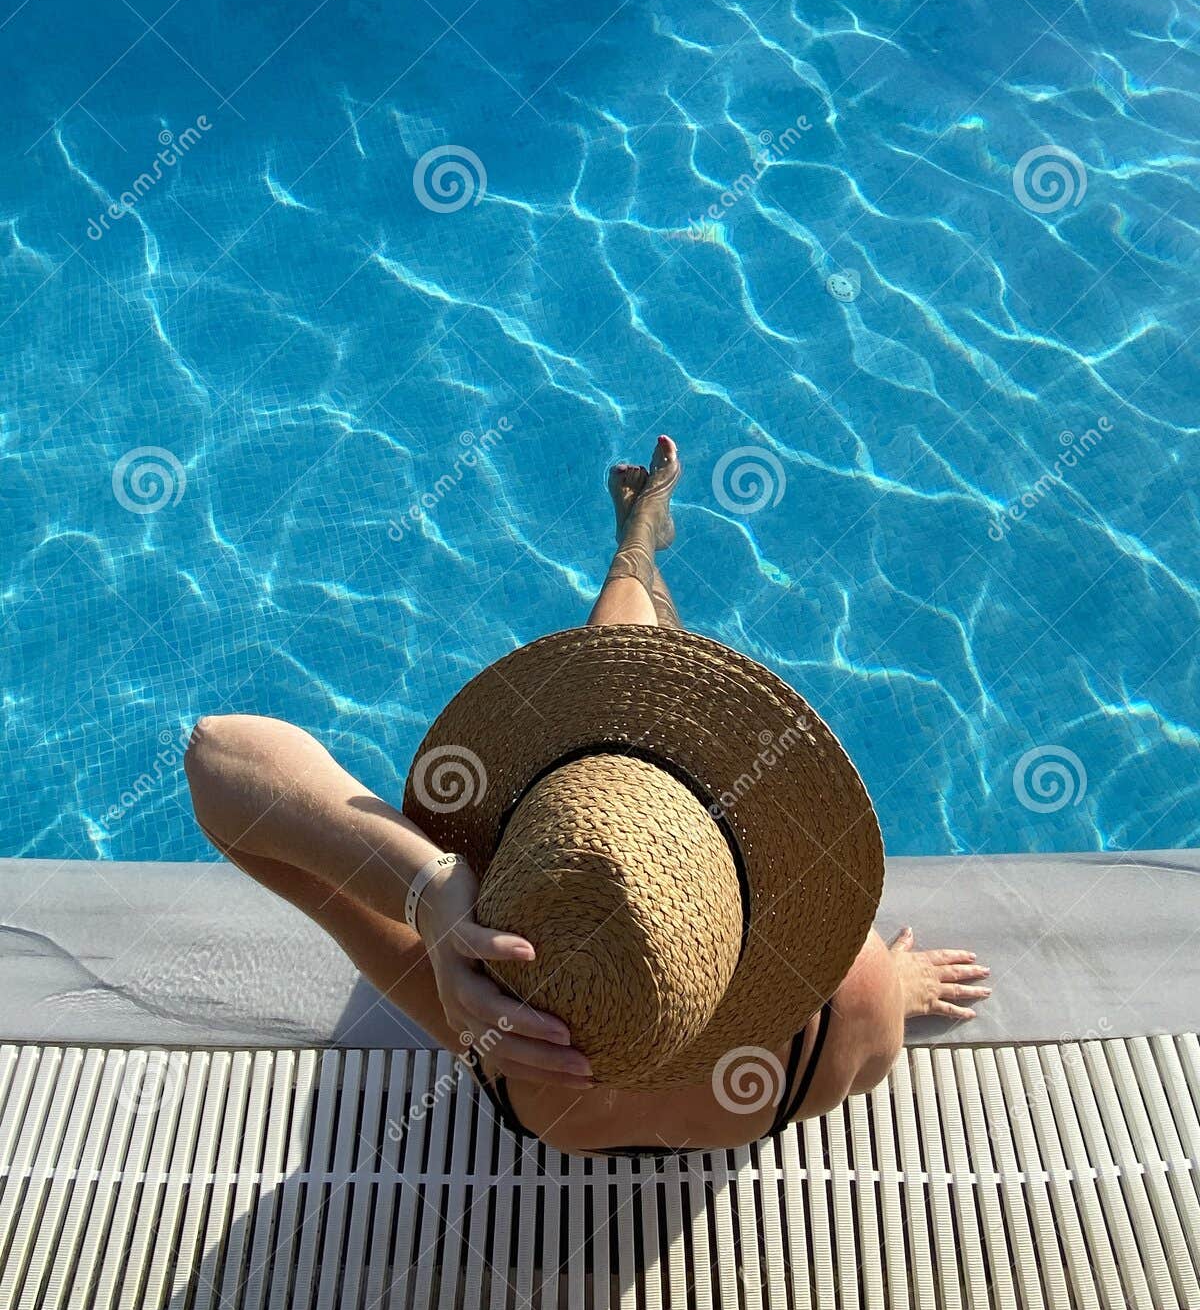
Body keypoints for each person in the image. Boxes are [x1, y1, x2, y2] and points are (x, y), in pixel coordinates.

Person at [185, 436, 989, 1156]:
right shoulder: (849, 1012)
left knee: (620, 656)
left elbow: (216, 757)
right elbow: (862, 1019)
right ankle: (640, 543)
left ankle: (638, 544)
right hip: (778, 1085)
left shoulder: (486, 1023)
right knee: (630, 657)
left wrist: (428, 892)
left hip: (543, 1097)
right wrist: (892, 983)